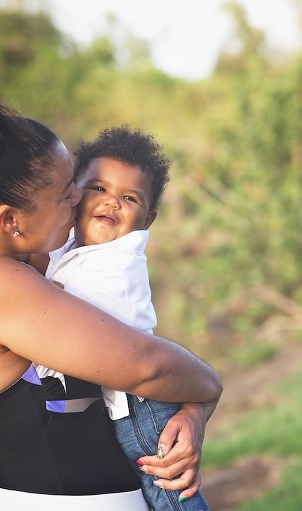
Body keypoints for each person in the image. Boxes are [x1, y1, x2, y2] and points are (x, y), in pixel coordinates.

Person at [0, 77, 221, 510]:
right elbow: (146, 366)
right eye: (63, 193)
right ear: (9, 219)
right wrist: (207, 391)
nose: (78, 198)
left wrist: (191, 416)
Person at [37, 126, 210, 510]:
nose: (111, 202)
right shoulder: (73, 247)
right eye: (98, 188)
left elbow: (62, 326)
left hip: (140, 409)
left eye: (128, 197)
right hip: (121, 404)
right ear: (73, 193)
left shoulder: (117, 263)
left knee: (170, 493)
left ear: (147, 219)